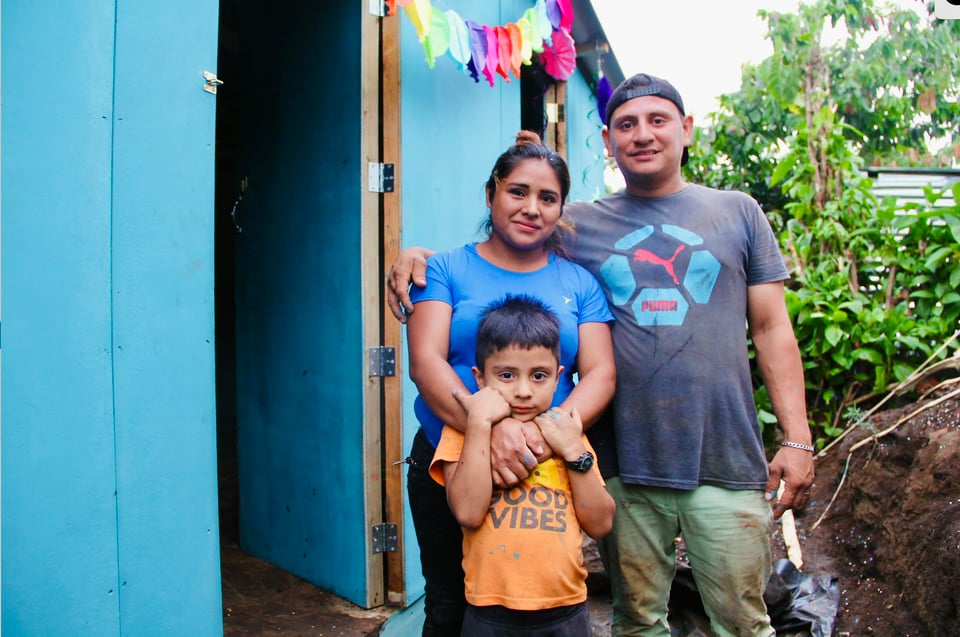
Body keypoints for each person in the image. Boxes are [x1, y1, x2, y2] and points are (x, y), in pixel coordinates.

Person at [388, 73, 816, 636]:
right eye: (626, 124)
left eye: (658, 120)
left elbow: (768, 328)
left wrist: (796, 437)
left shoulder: (731, 213)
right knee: (475, 607)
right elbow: (443, 332)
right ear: (608, 142)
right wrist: (414, 255)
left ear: (687, 129)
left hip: (658, 456)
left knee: (725, 618)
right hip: (551, 457)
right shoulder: (549, 236)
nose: (643, 134)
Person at [403, 131, 616, 636]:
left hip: (548, 463)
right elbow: (425, 361)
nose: (531, 208)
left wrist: (542, 435)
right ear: (491, 193)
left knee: (540, 605)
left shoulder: (578, 283)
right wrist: (490, 428)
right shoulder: (445, 269)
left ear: (561, 208)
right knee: (449, 608)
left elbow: (601, 372)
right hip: (450, 455)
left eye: (548, 198)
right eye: (518, 191)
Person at [431, 294, 615, 636]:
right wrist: (478, 423)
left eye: (539, 376)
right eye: (506, 375)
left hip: (566, 611)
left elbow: (601, 523)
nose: (524, 391)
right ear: (480, 379)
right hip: (489, 613)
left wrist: (574, 451)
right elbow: (468, 513)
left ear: (559, 377)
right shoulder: (461, 435)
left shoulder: (566, 433)